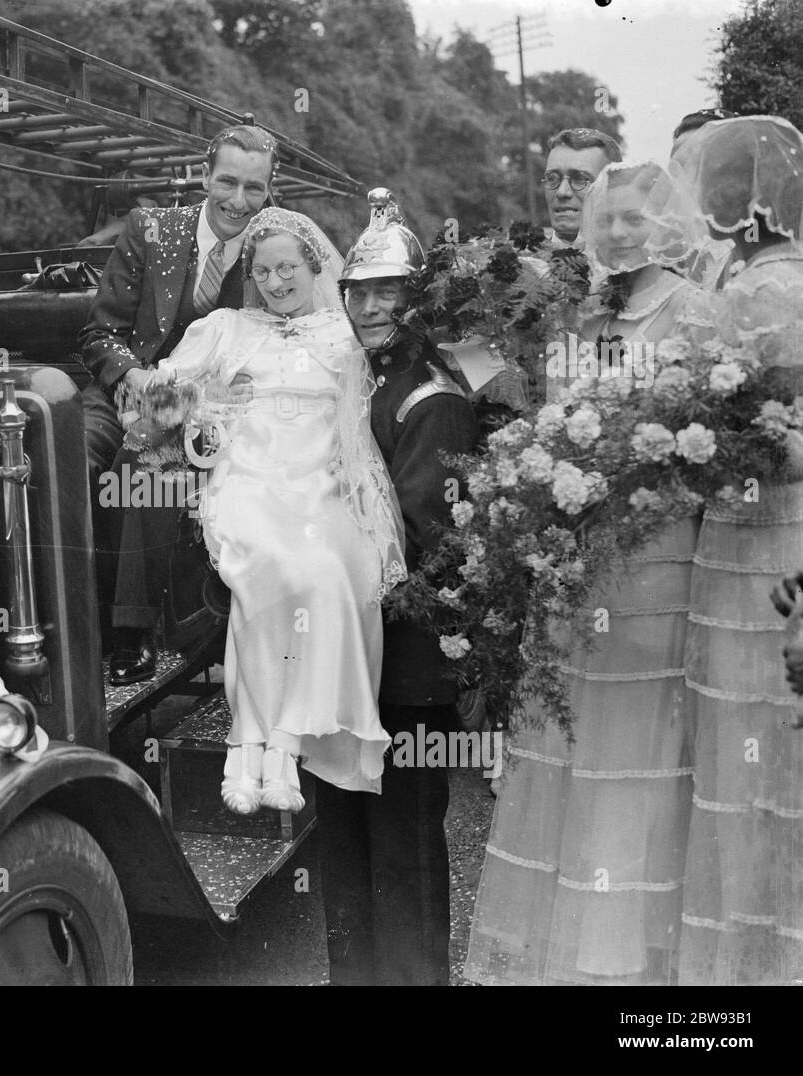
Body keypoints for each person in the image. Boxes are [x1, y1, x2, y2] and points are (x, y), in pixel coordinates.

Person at [463, 161, 710, 986]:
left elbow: (702, 430)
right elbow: (550, 415)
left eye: (634, 220)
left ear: (667, 224)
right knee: (576, 737)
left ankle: (638, 952)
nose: (616, 233)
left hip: (657, 554)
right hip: (577, 556)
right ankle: (577, 952)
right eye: (607, 220)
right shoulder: (583, 312)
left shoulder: (694, 311)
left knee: (645, 742)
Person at [136, 207, 407, 814]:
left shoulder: (345, 336)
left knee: (325, 573)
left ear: (315, 267)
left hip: (322, 485)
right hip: (247, 479)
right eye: (262, 271)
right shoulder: (225, 327)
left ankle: (278, 744)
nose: (276, 281)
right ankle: (246, 741)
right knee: (270, 567)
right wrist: (206, 399)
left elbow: (363, 421)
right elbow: (157, 402)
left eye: (288, 267)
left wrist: (354, 479)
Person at [319, 195, 478, 985]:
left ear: (416, 298)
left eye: (387, 291)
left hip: (406, 673)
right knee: (341, 842)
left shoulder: (433, 399)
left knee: (406, 850)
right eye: (359, 291)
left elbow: (435, 556)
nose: (371, 307)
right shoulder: (356, 380)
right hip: (346, 663)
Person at [671, 115, 803, 985]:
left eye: (722, 189)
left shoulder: (771, 290)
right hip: (735, 529)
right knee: (739, 735)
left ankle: (756, 954)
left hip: (769, 532)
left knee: (756, 734)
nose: (710, 205)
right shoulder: (748, 275)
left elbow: (783, 434)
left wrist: (697, 433)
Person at [79, 125, 274, 684]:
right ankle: (61, 618)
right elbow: (99, 335)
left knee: (143, 469)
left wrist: (202, 403)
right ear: (205, 174)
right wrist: (134, 377)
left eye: (254, 189)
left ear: (269, 190)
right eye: (228, 182)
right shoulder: (151, 230)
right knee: (68, 459)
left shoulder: (274, 249)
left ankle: (131, 630)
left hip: (214, 404)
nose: (239, 201)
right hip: (128, 388)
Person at [542, 127, 622, 248]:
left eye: (580, 179)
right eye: (552, 178)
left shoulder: (641, 265)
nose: (562, 192)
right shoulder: (518, 262)